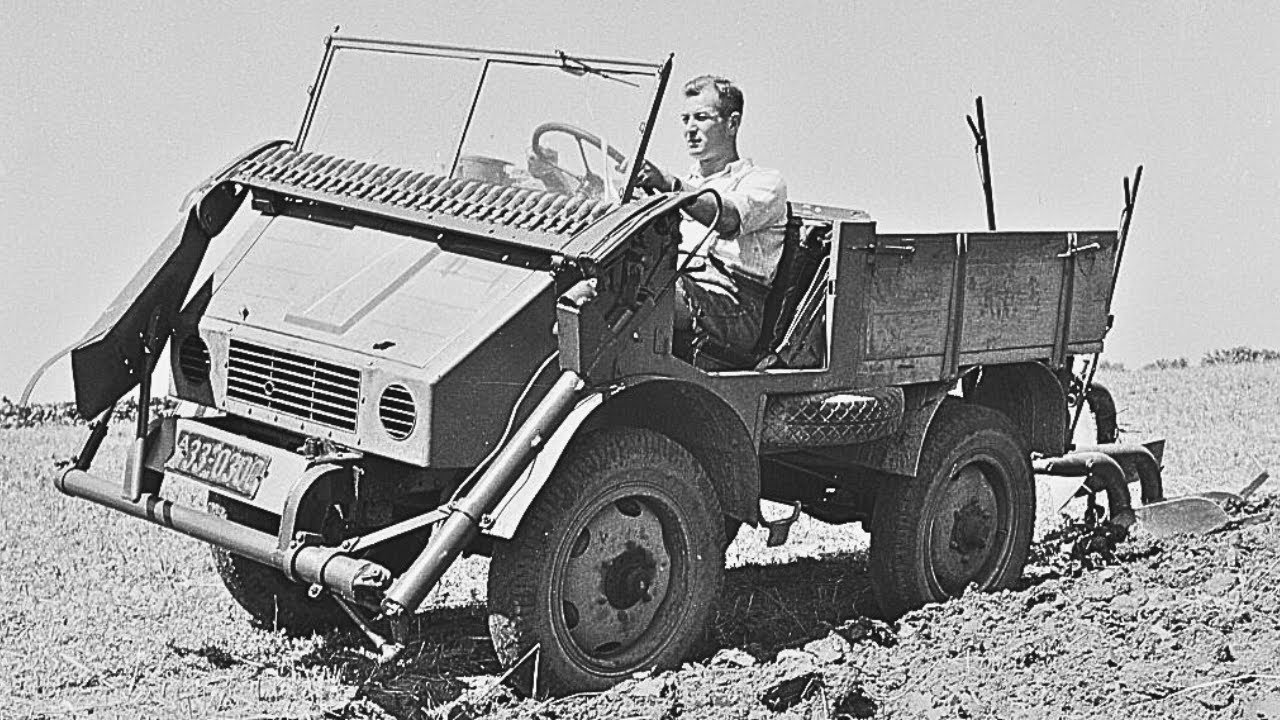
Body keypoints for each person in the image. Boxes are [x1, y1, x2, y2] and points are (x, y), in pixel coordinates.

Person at [637, 75, 788, 357]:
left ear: (732, 124)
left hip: (732, 306)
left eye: (702, 118)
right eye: (686, 119)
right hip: (679, 284)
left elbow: (727, 217)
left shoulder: (763, 182)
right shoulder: (685, 183)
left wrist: (670, 187)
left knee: (632, 296)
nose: (690, 130)